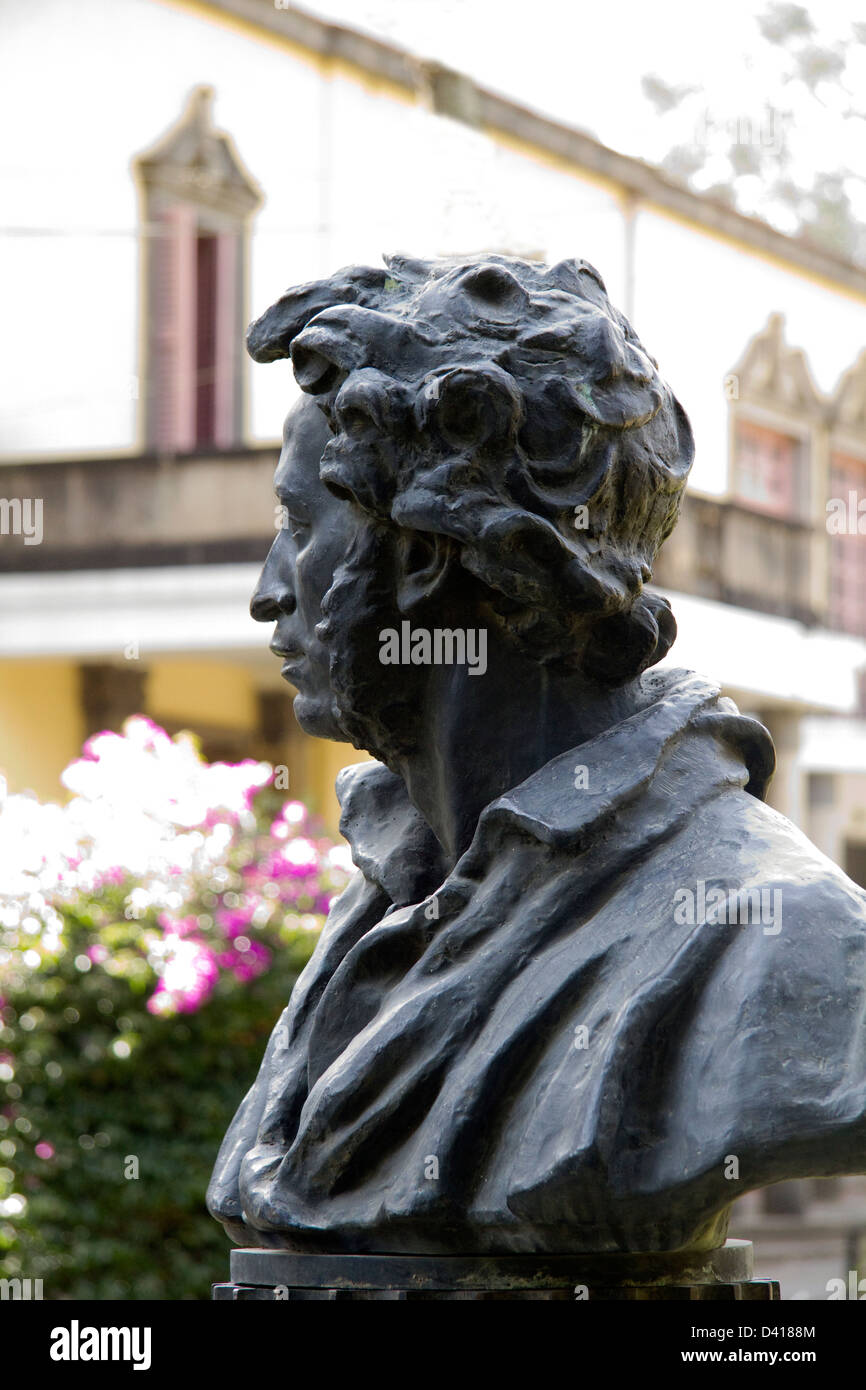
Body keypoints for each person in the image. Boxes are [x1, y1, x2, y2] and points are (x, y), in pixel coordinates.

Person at [208, 253, 866, 1255]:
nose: (265, 591)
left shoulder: (778, 933)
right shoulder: (389, 885)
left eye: (298, 527)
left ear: (426, 554)